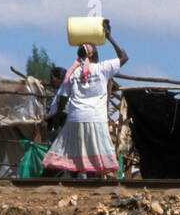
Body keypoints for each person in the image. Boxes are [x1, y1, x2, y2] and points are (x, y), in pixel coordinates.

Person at [42, 20, 128, 178]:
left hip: (75, 118)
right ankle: (89, 187)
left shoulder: (73, 72)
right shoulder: (102, 69)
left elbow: (63, 97)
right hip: (96, 119)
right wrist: (109, 37)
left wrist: (57, 117)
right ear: (94, 54)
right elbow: (124, 57)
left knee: (73, 155)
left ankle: (71, 186)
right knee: (94, 160)